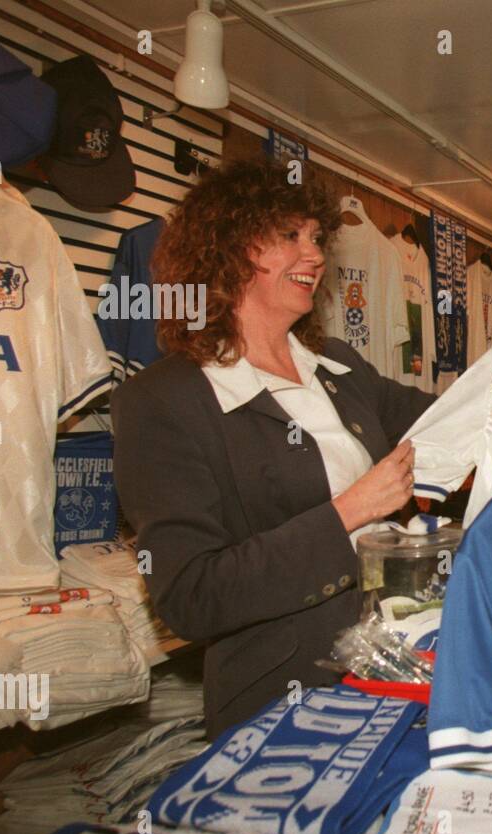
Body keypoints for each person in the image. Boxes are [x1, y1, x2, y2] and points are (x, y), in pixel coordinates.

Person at [112, 158, 432, 738]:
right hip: (283, 707)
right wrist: (351, 511)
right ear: (228, 250)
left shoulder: (339, 366)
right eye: (289, 236)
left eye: (315, 238)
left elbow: (442, 420)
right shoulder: (164, 401)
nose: (313, 255)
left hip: (393, 672)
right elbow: (190, 596)